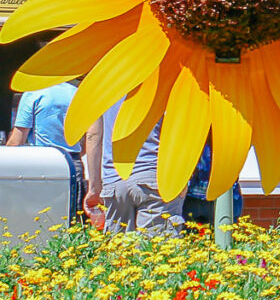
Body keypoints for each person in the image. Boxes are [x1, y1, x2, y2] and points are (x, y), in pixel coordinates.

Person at [7, 80, 100, 220]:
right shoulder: (78, 94)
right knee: (72, 219)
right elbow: (90, 137)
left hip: (40, 163)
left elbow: (17, 141)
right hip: (72, 164)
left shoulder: (34, 93)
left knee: (37, 218)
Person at [94, 102, 183, 235]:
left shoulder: (105, 88)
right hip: (153, 174)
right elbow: (176, 129)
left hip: (113, 179)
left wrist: (94, 185)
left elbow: (93, 135)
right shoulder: (161, 82)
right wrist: (183, 176)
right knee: (155, 250)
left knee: (119, 252)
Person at [182, 141, 244, 227]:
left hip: (194, 192)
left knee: (190, 236)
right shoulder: (236, 132)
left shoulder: (193, 132)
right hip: (225, 195)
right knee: (224, 236)